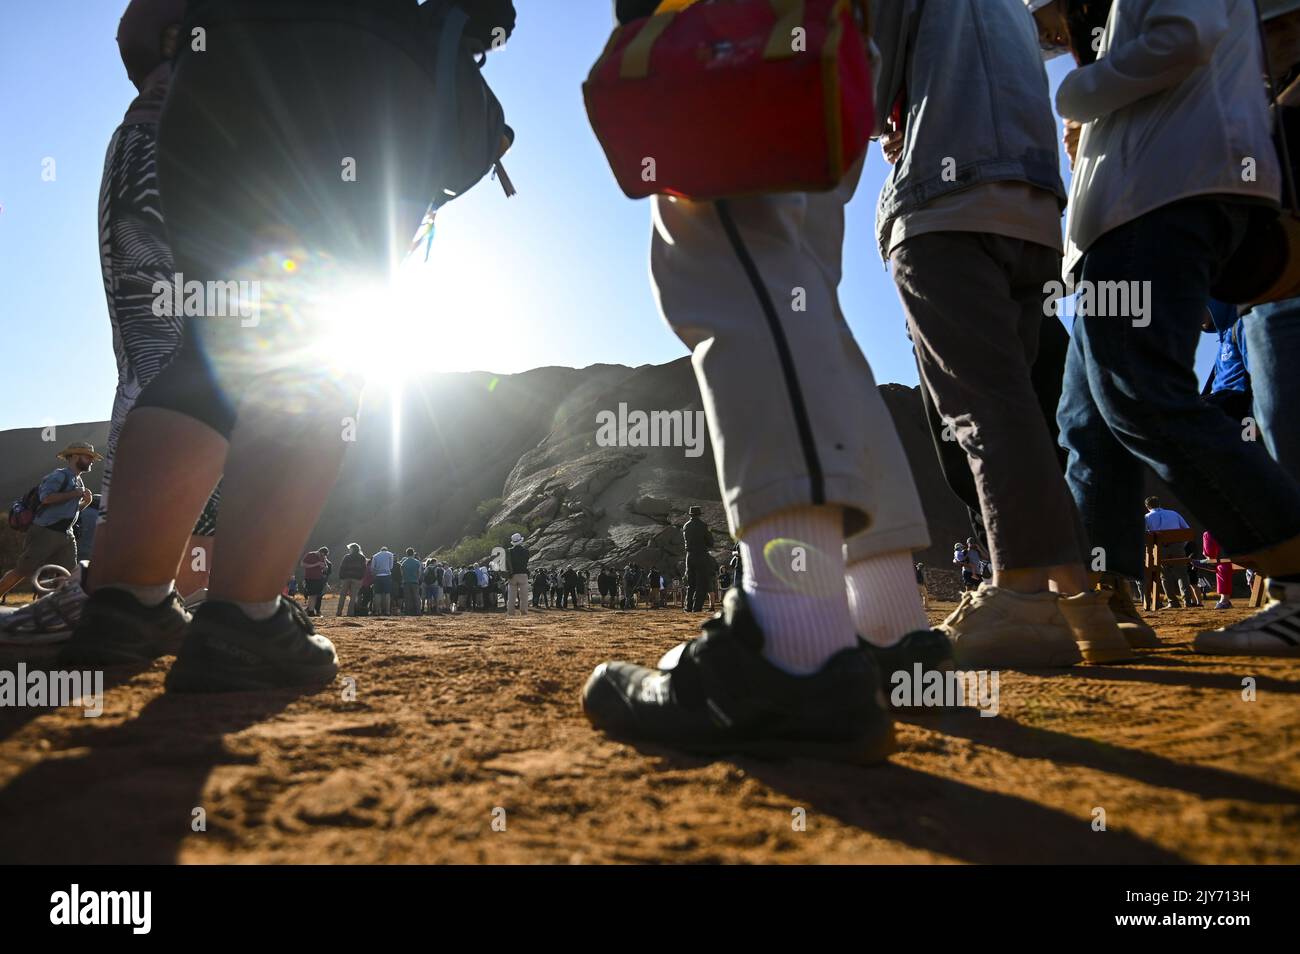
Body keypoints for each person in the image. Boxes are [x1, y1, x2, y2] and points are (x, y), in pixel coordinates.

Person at [56, 0, 517, 690]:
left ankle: (126, 603)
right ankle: (244, 616)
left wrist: (178, 61)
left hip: (218, 78)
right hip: (364, 79)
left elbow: (140, 22)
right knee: (317, 346)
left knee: (209, 348)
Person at [1043, 0, 1300, 658]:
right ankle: (1106, 596)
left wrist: (1081, 94)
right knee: (1089, 417)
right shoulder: (1089, 19)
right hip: (1123, 206)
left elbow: (1187, 30)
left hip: (1163, 191)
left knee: (1139, 390)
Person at [0, 1, 224, 646]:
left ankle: (147, 597)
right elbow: (140, 32)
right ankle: (147, 597)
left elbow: (136, 33)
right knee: (179, 365)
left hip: (200, 139)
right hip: (211, 144)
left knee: (178, 365)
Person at [0, 442, 101, 606]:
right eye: (88, 457)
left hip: (66, 535)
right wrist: (75, 493)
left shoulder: (79, 481)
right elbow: (46, 498)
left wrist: (86, 503)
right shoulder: (59, 476)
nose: (91, 461)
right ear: (74, 456)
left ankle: (52, 609)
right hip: (45, 531)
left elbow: (69, 510)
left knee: (67, 576)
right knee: (23, 570)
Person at [681, 506, 713, 612]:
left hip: (689, 556)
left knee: (691, 583)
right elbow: (710, 543)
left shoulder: (686, 526)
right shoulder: (703, 526)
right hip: (701, 555)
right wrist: (710, 533)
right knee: (701, 582)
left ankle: (688, 606)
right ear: (699, 515)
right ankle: (697, 607)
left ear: (690, 515)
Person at [337, 542, 366, 617]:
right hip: (356, 579)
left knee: (342, 596)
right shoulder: (362, 558)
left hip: (346, 578)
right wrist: (361, 577)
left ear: (352, 549)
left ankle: (339, 612)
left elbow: (342, 567)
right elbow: (364, 569)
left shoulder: (347, 557)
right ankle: (350, 613)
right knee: (353, 597)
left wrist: (341, 577)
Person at [300, 546, 331, 616]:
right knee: (311, 594)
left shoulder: (323, 557)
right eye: (321, 555)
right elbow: (302, 564)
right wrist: (316, 564)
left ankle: (311, 610)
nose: (322, 557)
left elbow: (326, 568)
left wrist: (324, 567)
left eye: (324, 556)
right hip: (310, 578)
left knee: (315, 595)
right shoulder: (310, 555)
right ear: (319, 551)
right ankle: (310, 611)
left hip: (318, 578)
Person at [505, 532, 529, 615]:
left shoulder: (509, 551)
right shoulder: (526, 551)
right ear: (520, 541)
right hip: (523, 574)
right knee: (524, 596)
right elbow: (526, 562)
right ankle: (524, 611)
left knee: (511, 596)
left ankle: (511, 612)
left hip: (512, 575)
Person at [371, 546, 395, 617]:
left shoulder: (375, 556)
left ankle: (377, 611)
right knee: (387, 594)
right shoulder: (390, 554)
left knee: (377, 594)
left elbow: (372, 567)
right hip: (387, 575)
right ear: (386, 550)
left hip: (378, 576)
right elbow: (391, 567)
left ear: (380, 550)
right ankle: (387, 611)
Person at [399, 548, 423, 616]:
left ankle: (408, 612)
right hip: (415, 581)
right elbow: (419, 572)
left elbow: (402, 573)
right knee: (416, 597)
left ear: (407, 554)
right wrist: (417, 579)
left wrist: (404, 579)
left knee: (407, 598)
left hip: (406, 582)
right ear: (413, 553)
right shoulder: (417, 562)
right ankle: (418, 611)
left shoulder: (404, 562)